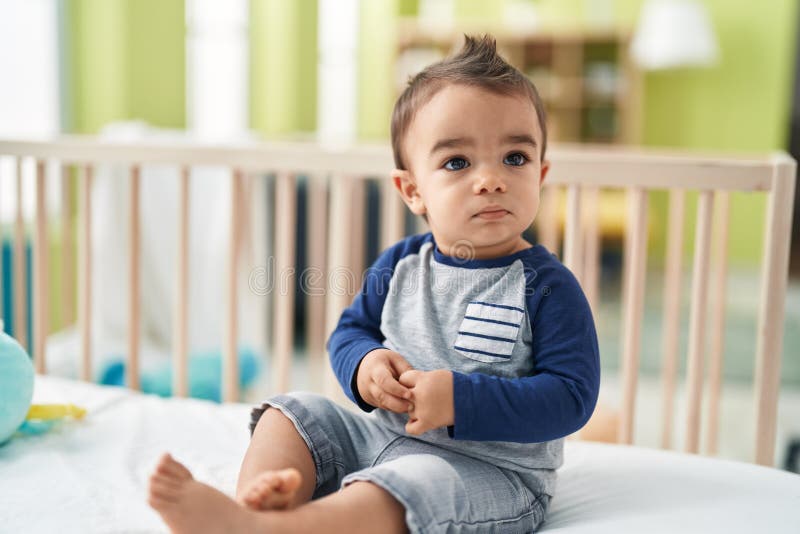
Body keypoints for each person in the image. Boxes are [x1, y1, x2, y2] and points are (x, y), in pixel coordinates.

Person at [147, 34, 600, 534]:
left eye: (515, 157)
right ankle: (258, 504)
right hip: (379, 439)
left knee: (414, 482)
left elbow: (571, 397)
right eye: (457, 162)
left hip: (488, 472)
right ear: (412, 190)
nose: (491, 179)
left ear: (541, 174)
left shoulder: (546, 287)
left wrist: (460, 400)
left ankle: (272, 530)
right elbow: (350, 332)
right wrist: (365, 364)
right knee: (294, 411)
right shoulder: (401, 263)